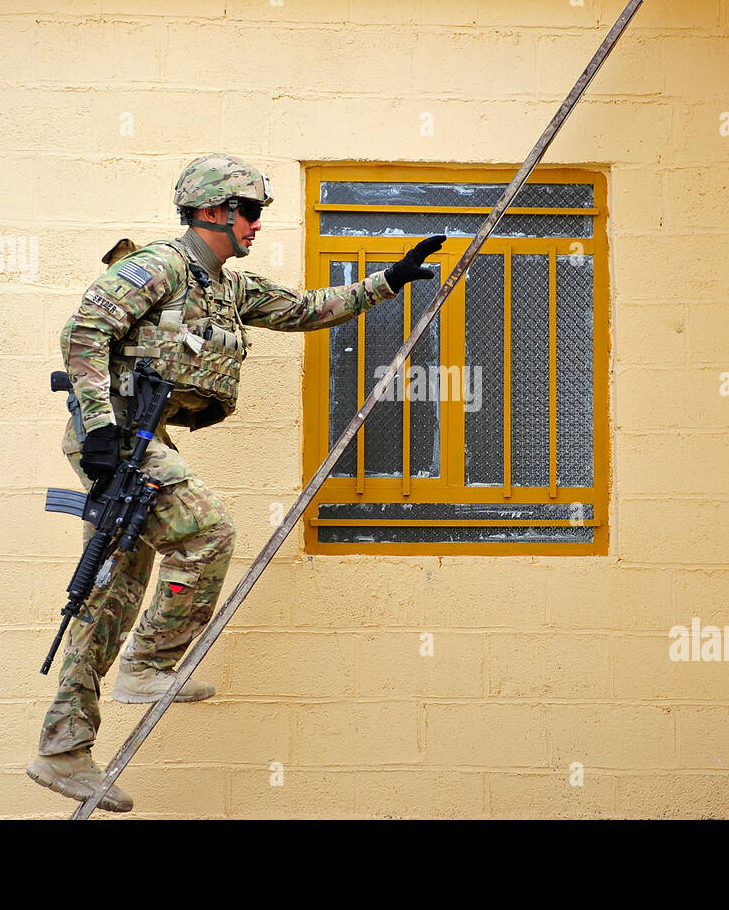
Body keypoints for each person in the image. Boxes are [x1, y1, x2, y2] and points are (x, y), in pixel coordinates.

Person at [26, 153, 445, 812]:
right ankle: (147, 664)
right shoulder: (157, 267)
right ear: (213, 211)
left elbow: (305, 308)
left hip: (144, 436)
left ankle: (62, 749)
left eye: (258, 213)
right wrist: (103, 431)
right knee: (208, 527)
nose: (256, 224)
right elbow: (87, 330)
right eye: (249, 212)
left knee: (112, 592)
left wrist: (387, 281)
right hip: (112, 436)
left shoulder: (229, 288)